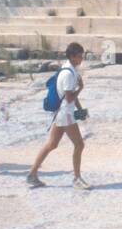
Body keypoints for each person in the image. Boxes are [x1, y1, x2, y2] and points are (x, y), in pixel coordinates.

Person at [27, 42, 90, 189]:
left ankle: (32, 174)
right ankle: (77, 178)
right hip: (65, 114)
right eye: (80, 56)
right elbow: (69, 97)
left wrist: (80, 110)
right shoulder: (68, 74)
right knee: (79, 144)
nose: (81, 59)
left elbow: (70, 96)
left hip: (61, 113)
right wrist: (81, 88)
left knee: (52, 144)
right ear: (72, 56)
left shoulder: (69, 69)